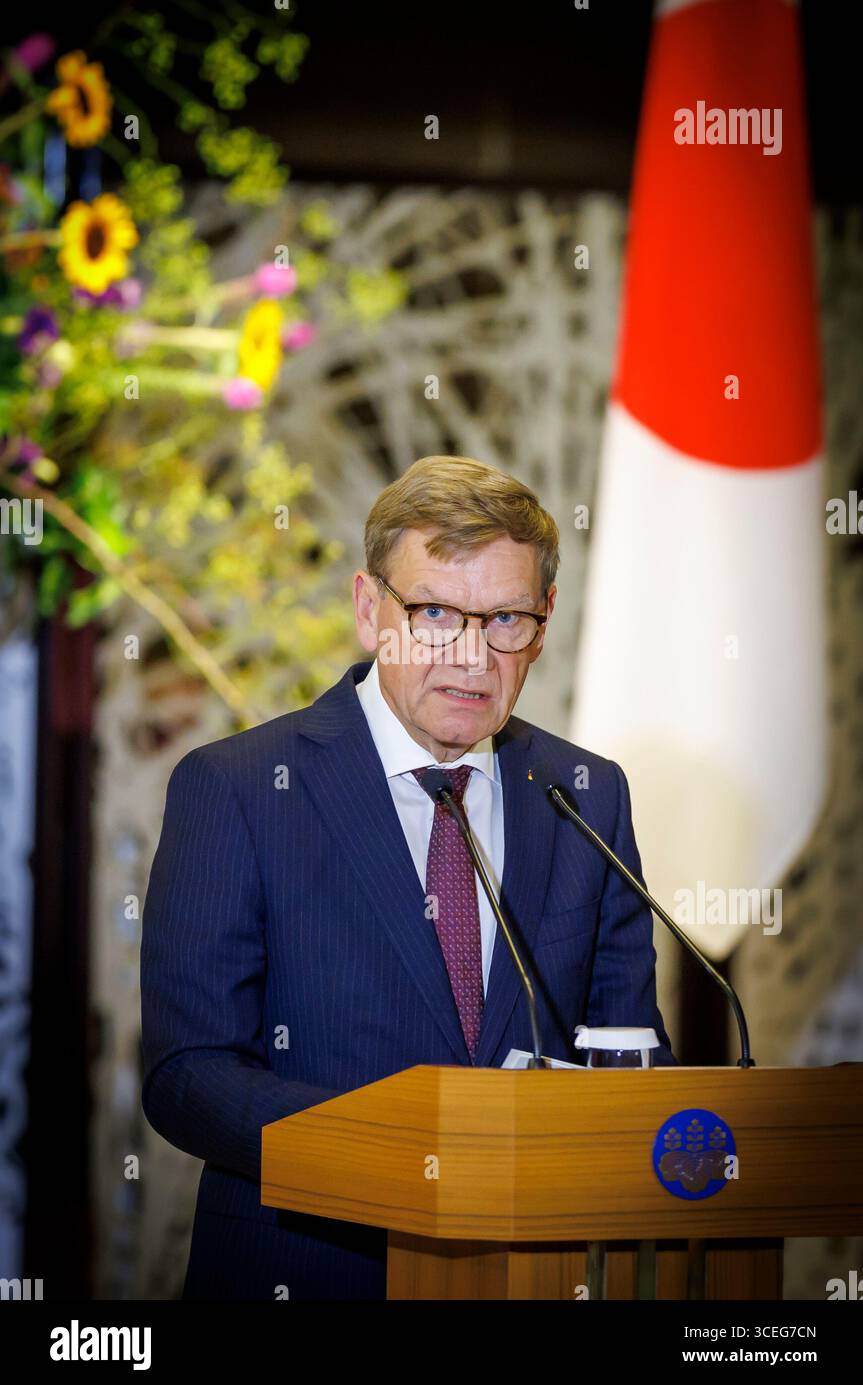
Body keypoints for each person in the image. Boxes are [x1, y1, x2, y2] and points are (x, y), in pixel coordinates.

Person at [141, 454, 676, 1301]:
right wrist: (395, 1156)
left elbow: (624, 1049)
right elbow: (189, 1074)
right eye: (433, 613)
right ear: (368, 610)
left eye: (504, 618)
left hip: (530, 1278)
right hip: (308, 1272)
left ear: (543, 623)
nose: (472, 656)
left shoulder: (585, 795)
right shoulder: (238, 788)